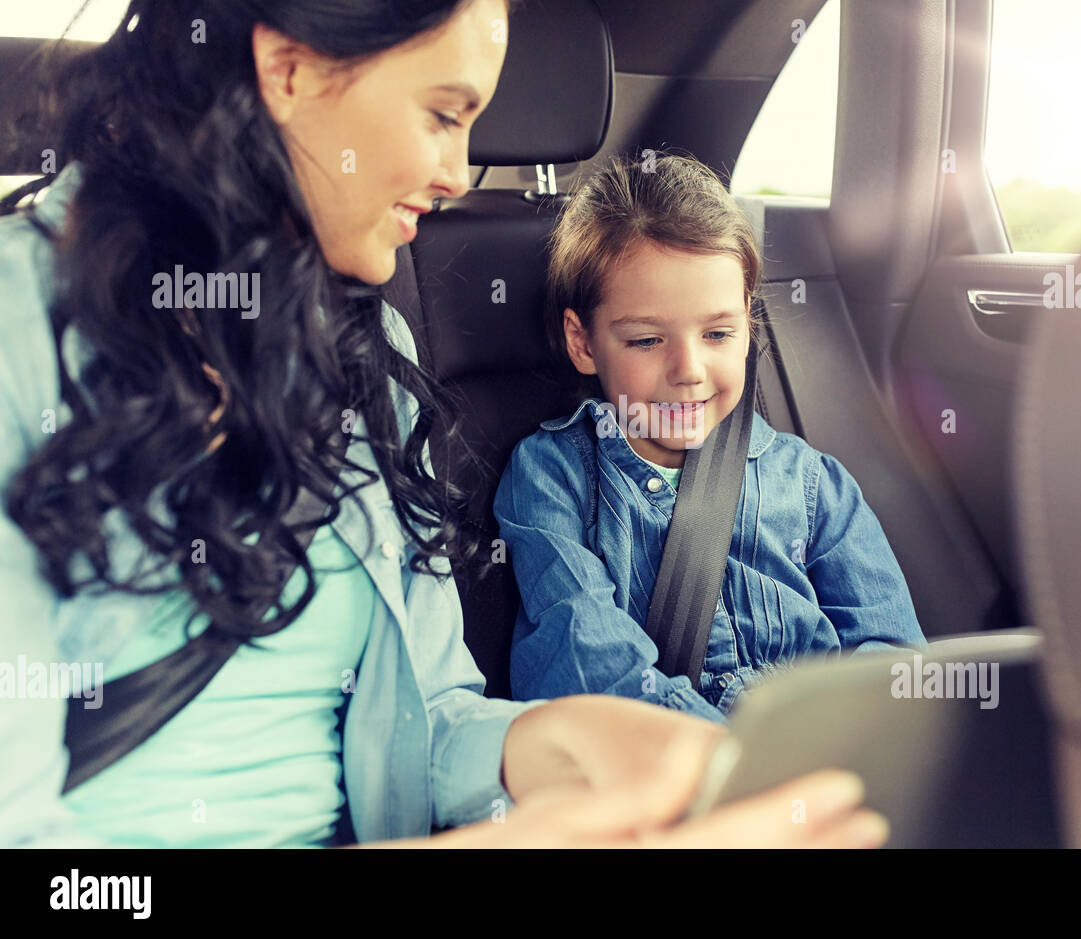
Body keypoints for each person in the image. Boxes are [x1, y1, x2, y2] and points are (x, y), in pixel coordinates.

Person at [0, 0, 887, 848]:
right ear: (291, 69)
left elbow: (426, 713)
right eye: (441, 113)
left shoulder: (361, 352)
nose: (459, 172)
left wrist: (560, 743)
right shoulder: (18, 335)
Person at [495, 153, 925, 723]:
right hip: (661, 765)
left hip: (822, 755)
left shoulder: (814, 484)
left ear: (748, 323)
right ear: (583, 342)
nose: (689, 369)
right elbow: (584, 657)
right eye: (647, 341)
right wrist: (726, 760)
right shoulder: (554, 477)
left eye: (718, 333)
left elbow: (891, 654)